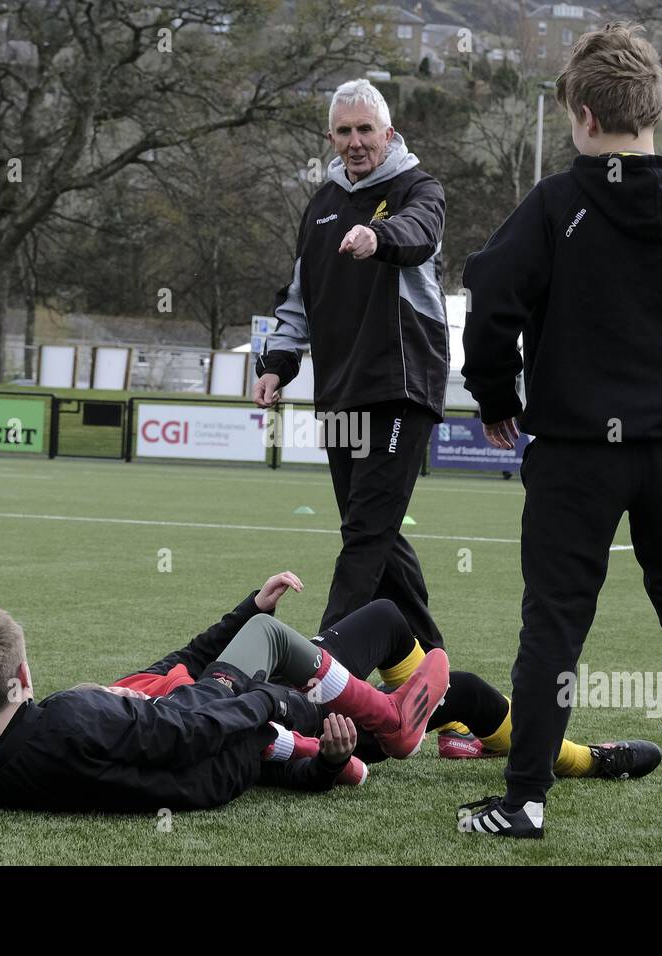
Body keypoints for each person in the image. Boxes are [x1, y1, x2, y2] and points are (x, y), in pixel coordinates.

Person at [458, 22, 662, 844]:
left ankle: (525, 800)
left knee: (556, 622)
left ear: (583, 115)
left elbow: (490, 296)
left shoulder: (557, 204)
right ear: (653, 111)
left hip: (578, 454)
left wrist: (496, 393)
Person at [0, 583, 451, 814]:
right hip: (221, 725)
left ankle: (344, 755)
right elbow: (187, 731)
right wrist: (265, 698)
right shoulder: (75, 713)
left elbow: (178, 687)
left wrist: (246, 608)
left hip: (224, 766)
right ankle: (391, 718)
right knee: (273, 635)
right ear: (24, 671)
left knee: (270, 646)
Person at [116, 571, 662, 782]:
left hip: (297, 687)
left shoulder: (135, 687)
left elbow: (192, 652)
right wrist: (329, 763)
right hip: (301, 719)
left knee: (461, 687)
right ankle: (584, 761)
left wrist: (251, 605)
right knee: (388, 619)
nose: (103, 694)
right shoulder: (153, 734)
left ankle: (425, 717)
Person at [252, 78, 449, 652]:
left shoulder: (419, 186)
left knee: (366, 534)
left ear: (388, 133)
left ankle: (319, 669)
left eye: (366, 130)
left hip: (400, 386)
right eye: (345, 131)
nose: (356, 141)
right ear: (331, 137)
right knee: (377, 537)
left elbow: (421, 234)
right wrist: (277, 364)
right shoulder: (321, 204)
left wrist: (378, 236)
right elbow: (297, 299)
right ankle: (437, 687)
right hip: (340, 393)